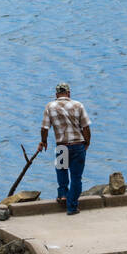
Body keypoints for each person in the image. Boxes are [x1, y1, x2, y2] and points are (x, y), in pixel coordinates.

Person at [37, 83, 92, 215]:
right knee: (76, 177)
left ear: (56, 95)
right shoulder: (78, 105)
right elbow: (86, 127)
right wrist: (87, 142)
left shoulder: (50, 106)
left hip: (61, 146)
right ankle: (72, 206)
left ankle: (63, 195)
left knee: (61, 171)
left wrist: (43, 142)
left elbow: (44, 128)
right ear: (68, 93)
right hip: (77, 145)